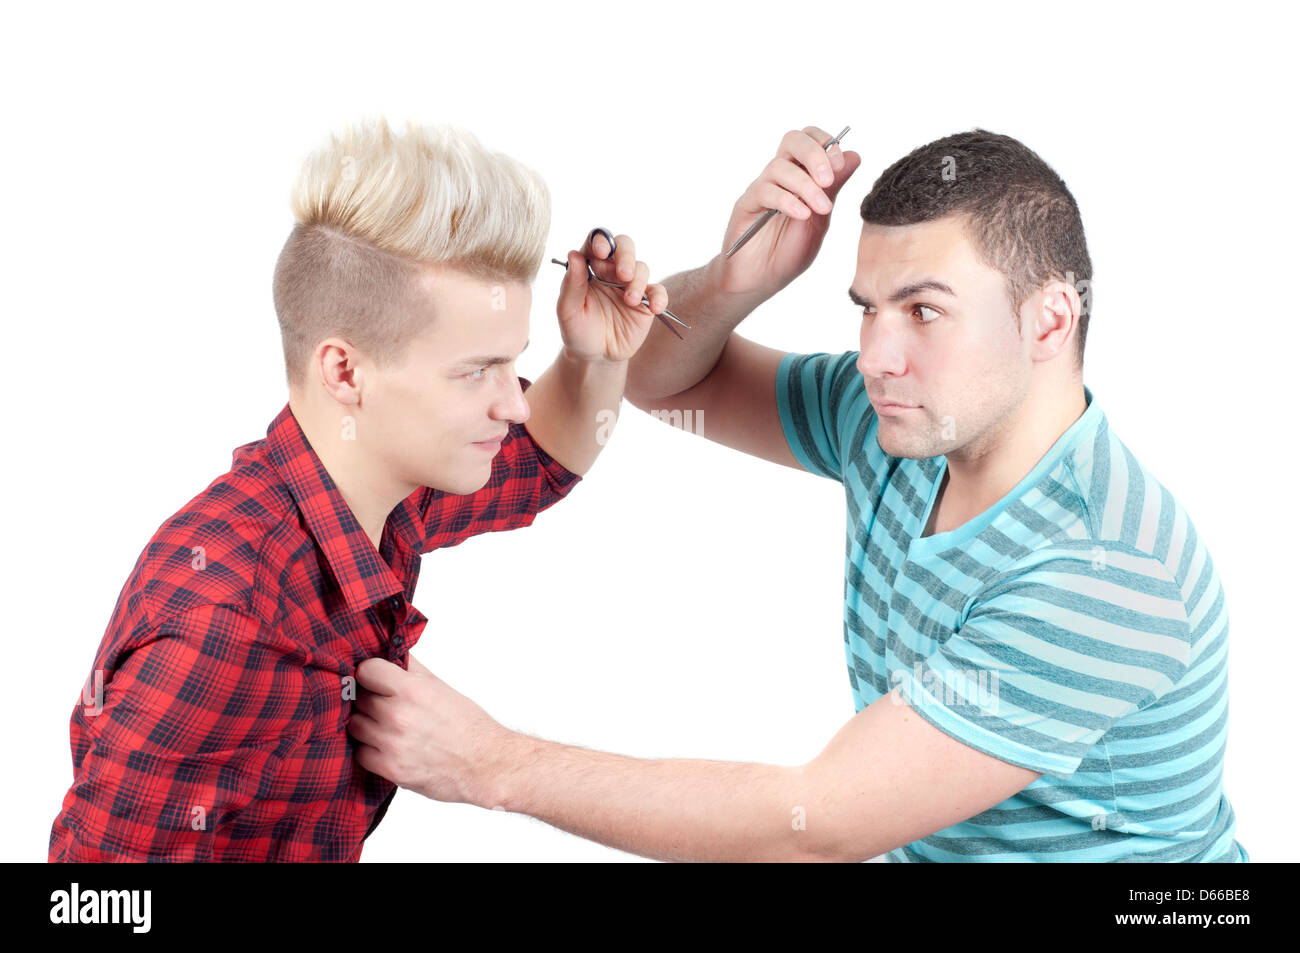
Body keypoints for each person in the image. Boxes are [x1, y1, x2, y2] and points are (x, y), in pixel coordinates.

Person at [347, 126, 1247, 863]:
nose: (875, 353)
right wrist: (741, 280)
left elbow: (817, 822)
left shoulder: (1104, 573)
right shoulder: (902, 420)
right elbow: (665, 384)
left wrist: (491, 765)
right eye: (868, 306)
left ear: (1051, 318)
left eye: (924, 310)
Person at [48, 117, 667, 861]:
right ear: (344, 371)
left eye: (514, 364)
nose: (515, 402)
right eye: (476, 371)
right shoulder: (222, 621)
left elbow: (541, 462)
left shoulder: (381, 489)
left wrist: (594, 357)